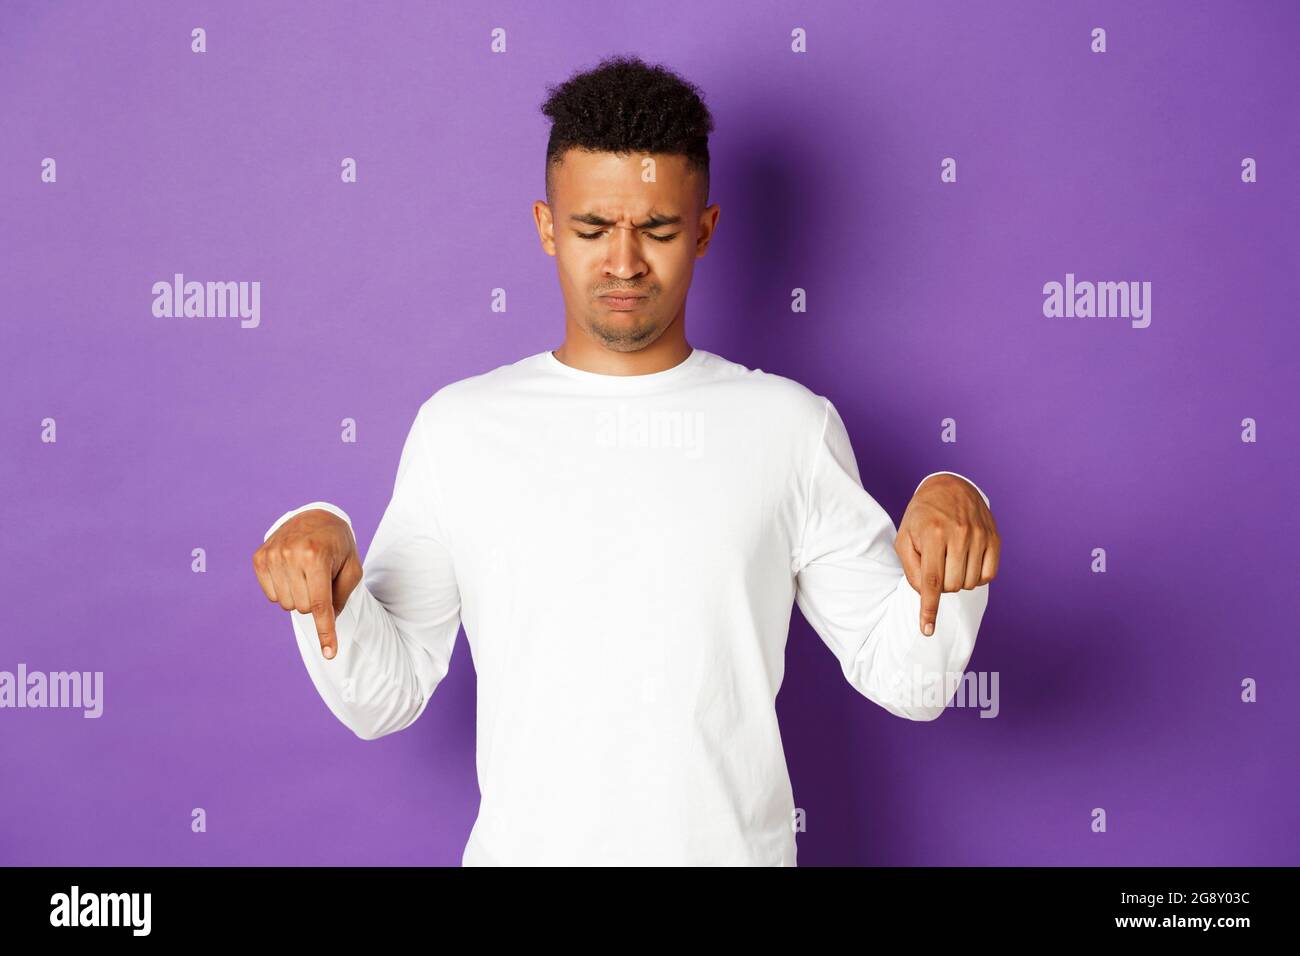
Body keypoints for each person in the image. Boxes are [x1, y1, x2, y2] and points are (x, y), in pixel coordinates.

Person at [251, 54, 1000, 866]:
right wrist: (322, 562)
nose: (623, 262)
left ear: (706, 230)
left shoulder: (787, 427)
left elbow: (911, 681)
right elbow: (382, 698)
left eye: (658, 229)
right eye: (591, 228)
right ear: (545, 226)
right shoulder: (460, 430)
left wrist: (950, 502)